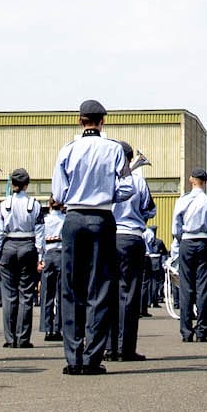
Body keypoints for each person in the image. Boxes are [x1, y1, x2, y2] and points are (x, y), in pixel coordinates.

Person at [52, 100, 134, 375]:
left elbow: (59, 192)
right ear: (102, 122)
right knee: (100, 287)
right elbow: (127, 188)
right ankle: (92, 358)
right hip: (102, 217)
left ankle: (73, 356)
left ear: (80, 120)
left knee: (71, 287)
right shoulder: (113, 150)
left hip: (73, 217)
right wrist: (107, 193)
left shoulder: (67, 150)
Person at [0, 168, 43, 348]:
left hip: (8, 246)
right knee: (26, 294)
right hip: (28, 246)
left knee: (9, 295)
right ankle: (23, 338)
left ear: (12, 184)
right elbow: (40, 232)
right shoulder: (34, 204)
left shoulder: (3, 204)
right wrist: (40, 256)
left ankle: (10, 338)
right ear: (27, 185)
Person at [113, 154, 157, 360]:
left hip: (109, 236)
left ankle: (107, 347)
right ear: (131, 159)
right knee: (129, 293)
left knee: (106, 292)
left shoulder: (108, 177)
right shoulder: (139, 181)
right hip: (132, 236)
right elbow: (150, 209)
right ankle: (126, 348)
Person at [171, 169, 207, 342]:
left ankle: (186, 331)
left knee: (186, 287)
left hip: (186, 241)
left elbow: (175, 227)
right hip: (204, 242)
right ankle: (202, 330)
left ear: (191, 179)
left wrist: (180, 240)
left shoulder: (182, 200)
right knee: (203, 287)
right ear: (205, 182)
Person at [39, 199, 66, 340]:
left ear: (49, 205)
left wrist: (40, 258)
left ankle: (47, 328)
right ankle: (58, 328)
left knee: (46, 293)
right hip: (62, 254)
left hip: (47, 255)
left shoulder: (45, 220)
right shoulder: (65, 219)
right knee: (61, 293)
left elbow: (40, 240)